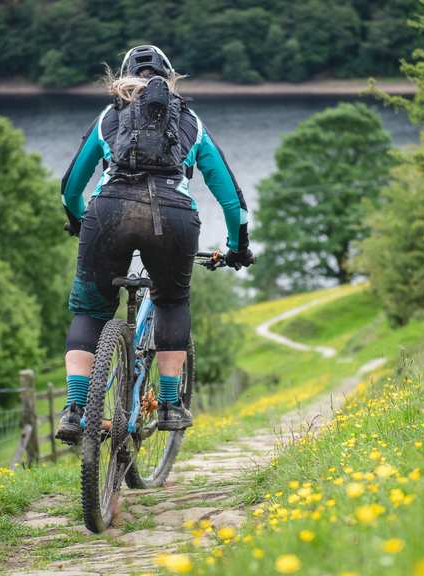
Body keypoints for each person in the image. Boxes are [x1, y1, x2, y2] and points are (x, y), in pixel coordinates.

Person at [56, 45, 254, 444]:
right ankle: (169, 404)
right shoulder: (190, 122)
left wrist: (79, 221)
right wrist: (237, 247)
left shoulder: (109, 117)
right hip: (174, 216)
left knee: (90, 310)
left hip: (107, 211)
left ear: (122, 79)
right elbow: (232, 201)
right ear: (170, 80)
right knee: (171, 301)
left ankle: (75, 410)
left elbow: (70, 187)